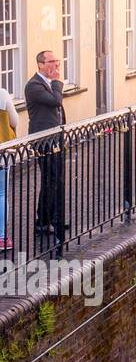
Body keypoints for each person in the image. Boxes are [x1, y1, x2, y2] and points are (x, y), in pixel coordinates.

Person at [25, 52, 66, 252]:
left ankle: (53, 219)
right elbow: (55, 102)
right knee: (50, 178)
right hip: (43, 140)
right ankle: (43, 222)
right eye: (51, 62)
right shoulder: (33, 86)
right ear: (40, 64)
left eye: (57, 61)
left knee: (56, 179)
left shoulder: (47, 83)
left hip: (55, 138)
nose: (55, 65)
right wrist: (58, 83)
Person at [0, 84, 18, 249]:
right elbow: (15, 121)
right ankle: (1, 237)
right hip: (2, 153)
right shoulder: (2, 94)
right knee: (1, 194)